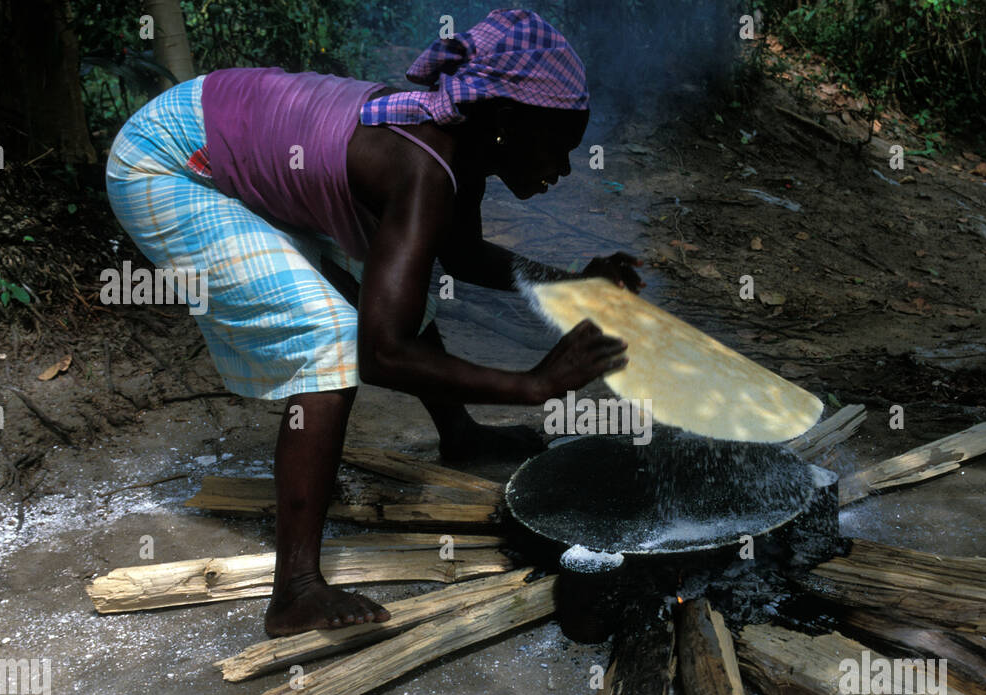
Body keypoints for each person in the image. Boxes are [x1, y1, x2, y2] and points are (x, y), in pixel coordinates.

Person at [106, 9, 642, 637]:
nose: (566, 168)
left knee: (401, 287)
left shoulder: (458, 143)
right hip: (168, 162)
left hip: (220, 134)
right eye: (559, 146)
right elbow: (381, 354)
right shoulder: (424, 167)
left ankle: (460, 435)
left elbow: (461, 252)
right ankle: (295, 592)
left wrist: (574, 282)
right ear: (505, 122)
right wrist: (535, 385)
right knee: (331, 336)